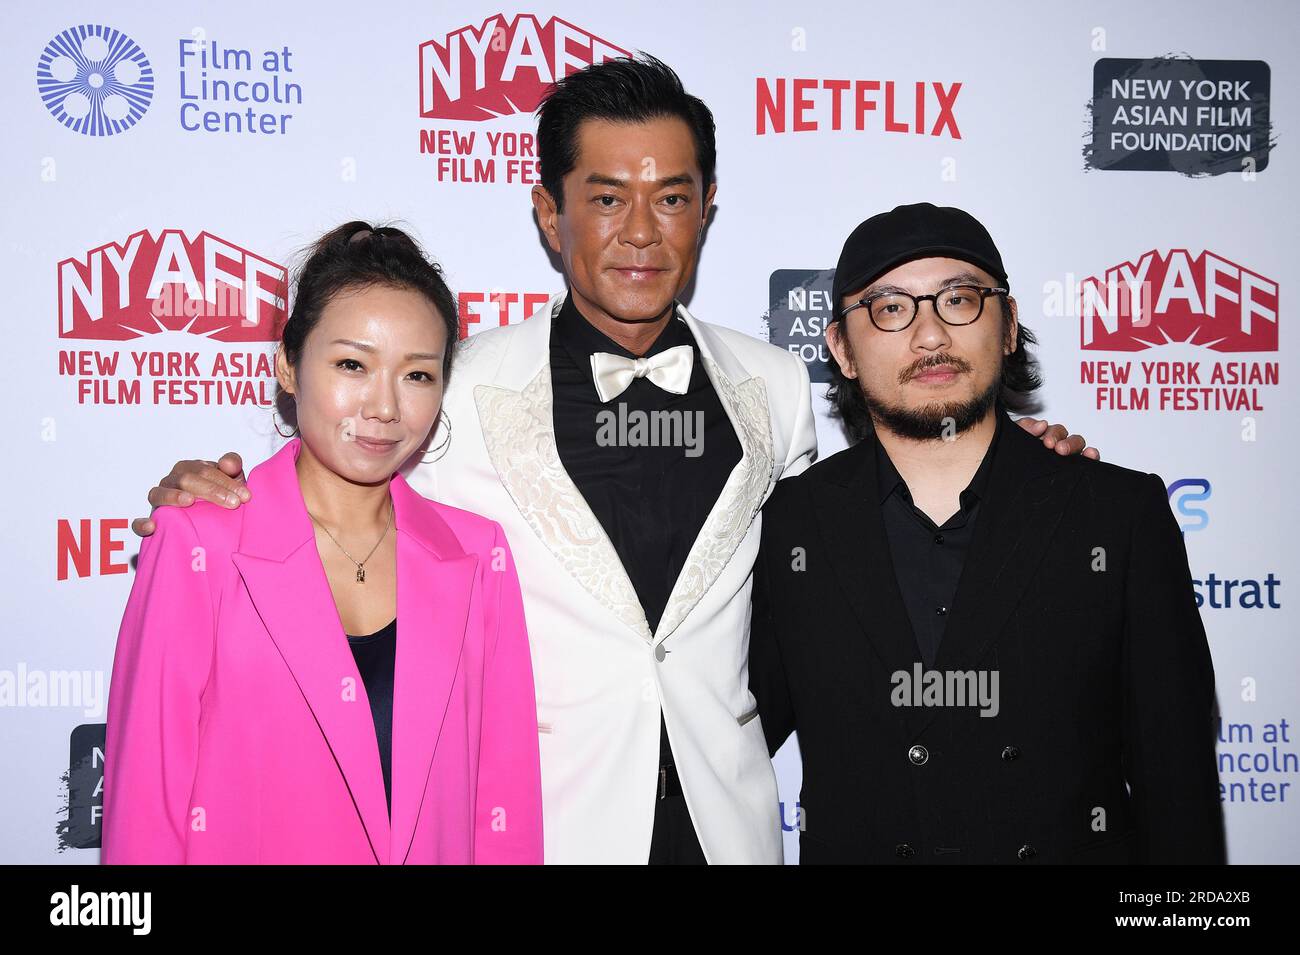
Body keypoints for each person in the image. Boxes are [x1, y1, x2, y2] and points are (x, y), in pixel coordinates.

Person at [129, 59, 1090, 864]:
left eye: (672, 197)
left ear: (708, 208)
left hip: (728, 828)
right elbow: (336, 486)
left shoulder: (776, 389)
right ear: (550, 214)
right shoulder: (448, 388)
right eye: (606, 197)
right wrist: (207, 494)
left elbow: (854, 552)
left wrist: (1014, 460)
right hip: (540, 830)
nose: (641, 231)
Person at [749, 202, 1226, 863]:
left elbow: (1178, 788)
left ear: (1008, 327)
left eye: (960, 299)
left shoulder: (1118, 514)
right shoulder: (786, 524)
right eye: (890, 308)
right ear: (841, 350)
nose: (930, 335)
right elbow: (728, 742)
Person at [103, 222, 543, 864]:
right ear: (288, 364)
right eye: (351, 365)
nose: (385, 406)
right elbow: (146, 806)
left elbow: (503, 808)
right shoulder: (201, 541)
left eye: (417, 375)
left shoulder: (477, 557)